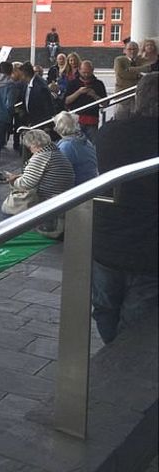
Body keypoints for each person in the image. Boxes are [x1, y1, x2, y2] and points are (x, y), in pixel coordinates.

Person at [91, 73, 158, 344]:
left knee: (105, 307)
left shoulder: (111, 132)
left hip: (108, 236)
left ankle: (112, 351)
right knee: (138, 316)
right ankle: (121, 364)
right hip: (149, 245)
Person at [4, 129, 75, 218]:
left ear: (34, 145)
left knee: (8, 210)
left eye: (29, 147)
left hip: (46, 201)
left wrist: (13, 180)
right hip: (59, 198)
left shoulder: (42, 157)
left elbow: (26, 183)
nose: (30, 151)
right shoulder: (56, 153)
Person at [62, 60, 107, 142]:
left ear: (92, 70)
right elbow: (66, 101)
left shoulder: (98, 84)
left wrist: (94, 95)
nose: (86, 75)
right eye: (84, 72)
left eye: (88, 73)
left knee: (92, 145)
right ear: (79, 70)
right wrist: (78, 92)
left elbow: (105, 103)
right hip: (76, 120)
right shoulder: (73, 83)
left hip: (92, 121)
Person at [53, 111, 98, 186]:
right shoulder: (86, 141)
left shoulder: (66, 146)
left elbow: (59, 172)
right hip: (91, 182)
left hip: (79, 187)